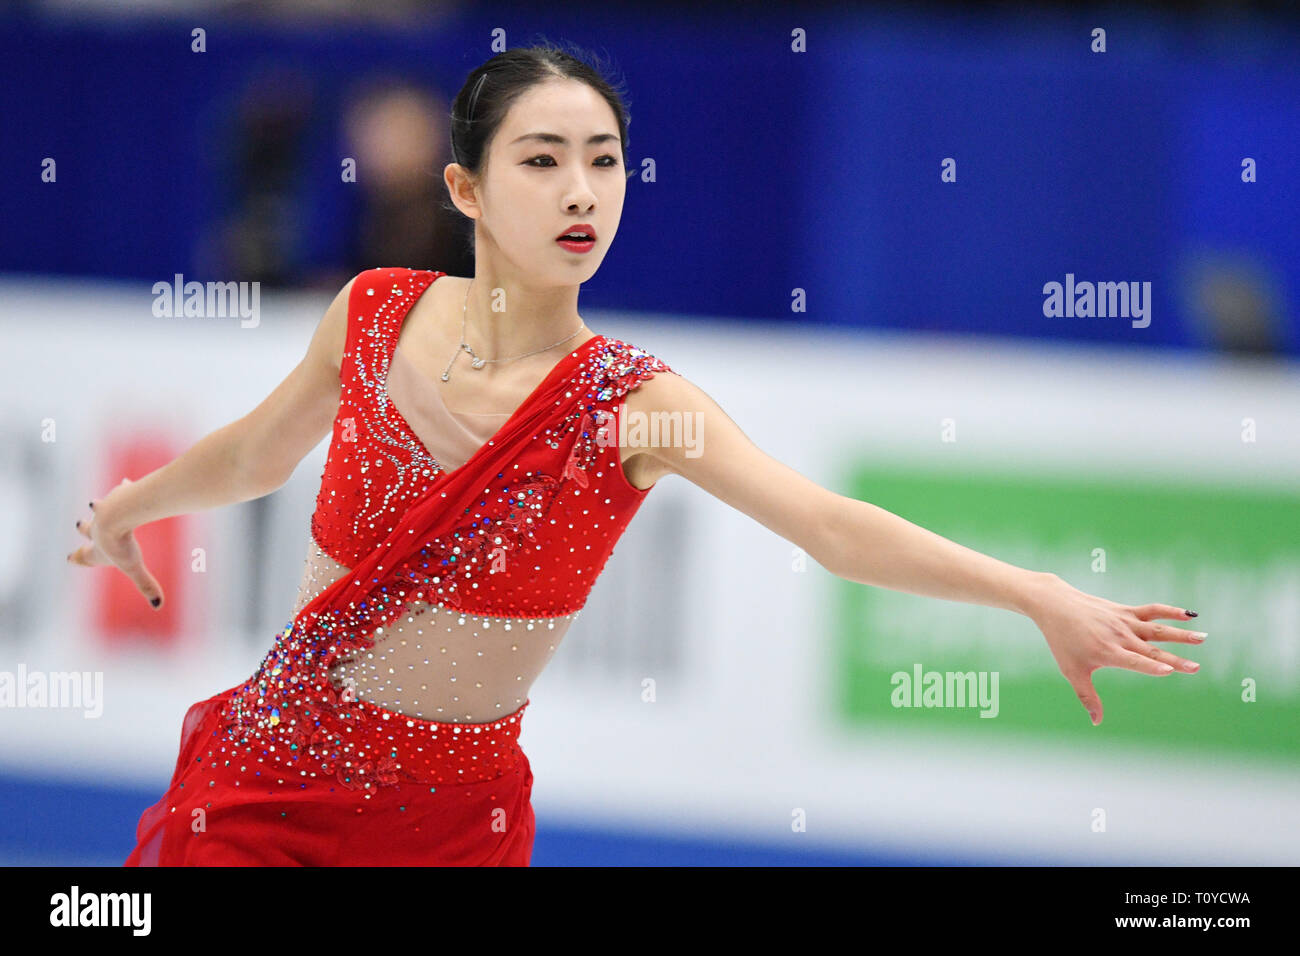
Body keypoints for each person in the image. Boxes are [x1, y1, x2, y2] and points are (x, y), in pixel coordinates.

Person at [69, 45, 1204, 866]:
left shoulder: (632, 409)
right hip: (273, 778)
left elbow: (829, 525)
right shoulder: (372, 316)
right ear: (464, 186)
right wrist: (135, 502)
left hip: (455, 824)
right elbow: (255, 454)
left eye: (604, 162)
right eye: (543, 159)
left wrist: (1032, 590)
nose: (580, 190)